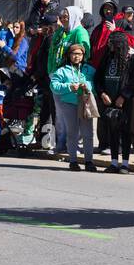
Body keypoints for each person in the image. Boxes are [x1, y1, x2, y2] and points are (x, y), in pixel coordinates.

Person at [93, 29, 134, 172]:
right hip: (108, 100)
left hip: (126, 101)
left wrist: (124, 96)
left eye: (112, 43)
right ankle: (114, 162)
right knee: (112, 131)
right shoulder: (108, 57)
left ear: (119, 44)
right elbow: (98, 78)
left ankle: (125, 164)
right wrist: (102, 93)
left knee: (125, 132)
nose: (109, 46)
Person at [49, 41, 96, 171]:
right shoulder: (62, 70)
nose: (77, 56)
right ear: (69, 55)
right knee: (72, 133)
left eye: (80, 54)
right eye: (74, 54)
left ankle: (89, 161)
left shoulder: (89, 70)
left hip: (85, 103)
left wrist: (87, 85)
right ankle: (73, 161)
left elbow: (95, 84)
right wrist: (69, 87)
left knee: (88, 133)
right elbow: (54, 86)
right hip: (69, 104)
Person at [88, 0, 119, 70]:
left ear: (114, 10)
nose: (108, 11)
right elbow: (92, 45)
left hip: (110, 66)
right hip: (96, 66)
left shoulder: (120, 24)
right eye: (106, 9)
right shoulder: (97, 28)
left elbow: (130, 41)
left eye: (110, 8)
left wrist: (114, 30)